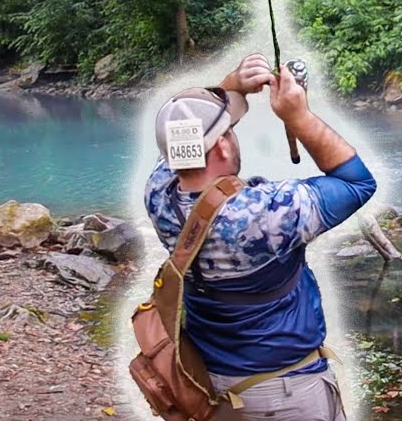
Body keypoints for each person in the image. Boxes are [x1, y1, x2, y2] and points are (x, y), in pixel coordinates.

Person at [143, 53, 376, 421]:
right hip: (286, 394)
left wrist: (233, 84)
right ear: (221, 146)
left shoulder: (159, 194)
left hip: (210, 385)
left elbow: (192, 136)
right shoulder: (266, 214)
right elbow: (357, 181)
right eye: (229, 132)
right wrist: (298, 117)